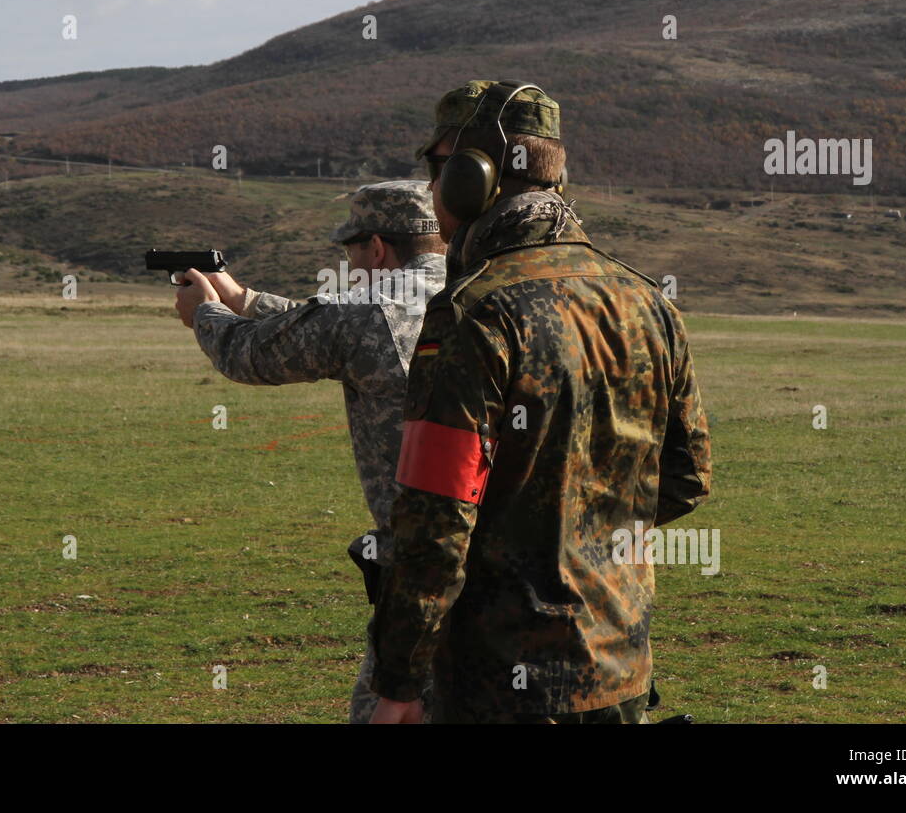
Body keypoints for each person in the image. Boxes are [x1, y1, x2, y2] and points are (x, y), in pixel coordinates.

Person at [369, 80, 712, 724]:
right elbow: (686, 479)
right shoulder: (647, 303)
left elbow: (439, 522)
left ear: (472, 177)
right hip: (621, 670)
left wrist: (398, 682)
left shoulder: (475, 314)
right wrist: (576, 540)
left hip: (499, 688)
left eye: (437, 167)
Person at [173, 180, 447, 723]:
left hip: (424, 575)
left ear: (374, 247)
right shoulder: (489, 287)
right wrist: (243, 299)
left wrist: (205, 314)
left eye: (351, 251)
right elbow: (327, 321)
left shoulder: (371, 309)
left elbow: (251, 356)